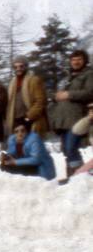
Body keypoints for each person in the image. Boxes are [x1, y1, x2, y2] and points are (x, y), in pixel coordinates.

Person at [51, 48, 91, 179]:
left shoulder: (89, 74)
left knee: (71, 148)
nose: (76, 62)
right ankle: (73, 178)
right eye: (73, 60)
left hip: (76, 117)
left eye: (79, 59)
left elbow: (90, 93)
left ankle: (79, 177)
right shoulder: (69, 77)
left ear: (85, 60)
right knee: (67, 150)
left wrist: (69, 94)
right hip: (63, 119)